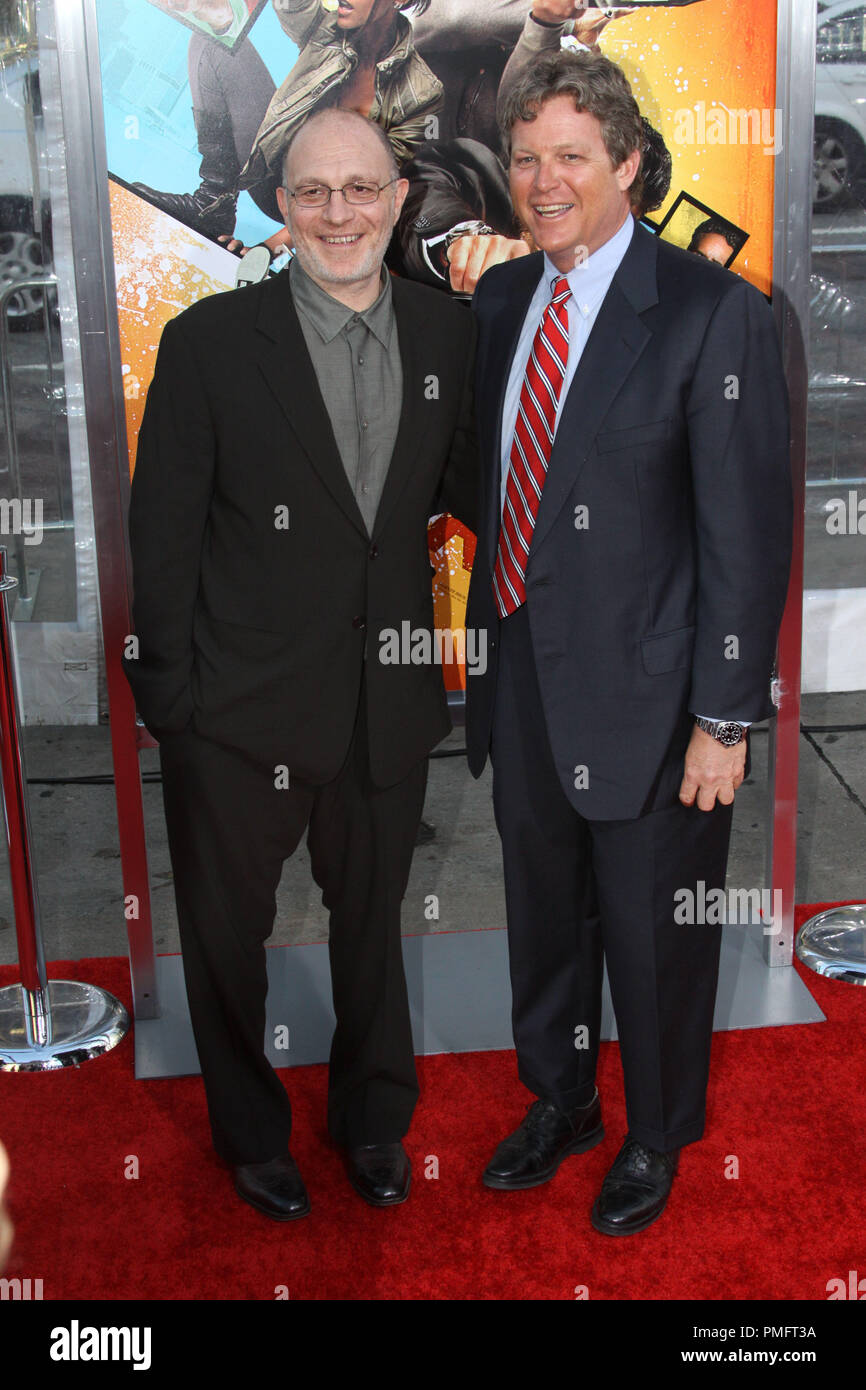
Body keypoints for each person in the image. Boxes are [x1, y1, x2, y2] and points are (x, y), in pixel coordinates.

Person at [123, 107, 477, 1219]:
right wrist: (172, 704)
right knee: (228, 942)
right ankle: (250, 1135)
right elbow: (162, 534)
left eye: (361, 189)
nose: (339, 213)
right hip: (234, 710)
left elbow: (475, 496)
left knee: (375, 931)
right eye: (314, 191)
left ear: (398, 197)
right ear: (281, 203)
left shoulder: (448, 337)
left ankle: (373, 1121)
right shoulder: (210, 344)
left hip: (386, 702)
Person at [464, 49, 792, 1235]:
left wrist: (723, 719)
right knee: (544, 916)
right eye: (523, 157)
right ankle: (561, 1101)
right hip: (524, 683)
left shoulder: (711, 313)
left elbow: (744, 537)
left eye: (568, 157)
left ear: (628, 164)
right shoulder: (501, 300)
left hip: (656, 703)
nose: (541, 181)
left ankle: (653, 1132)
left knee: (653, 938)